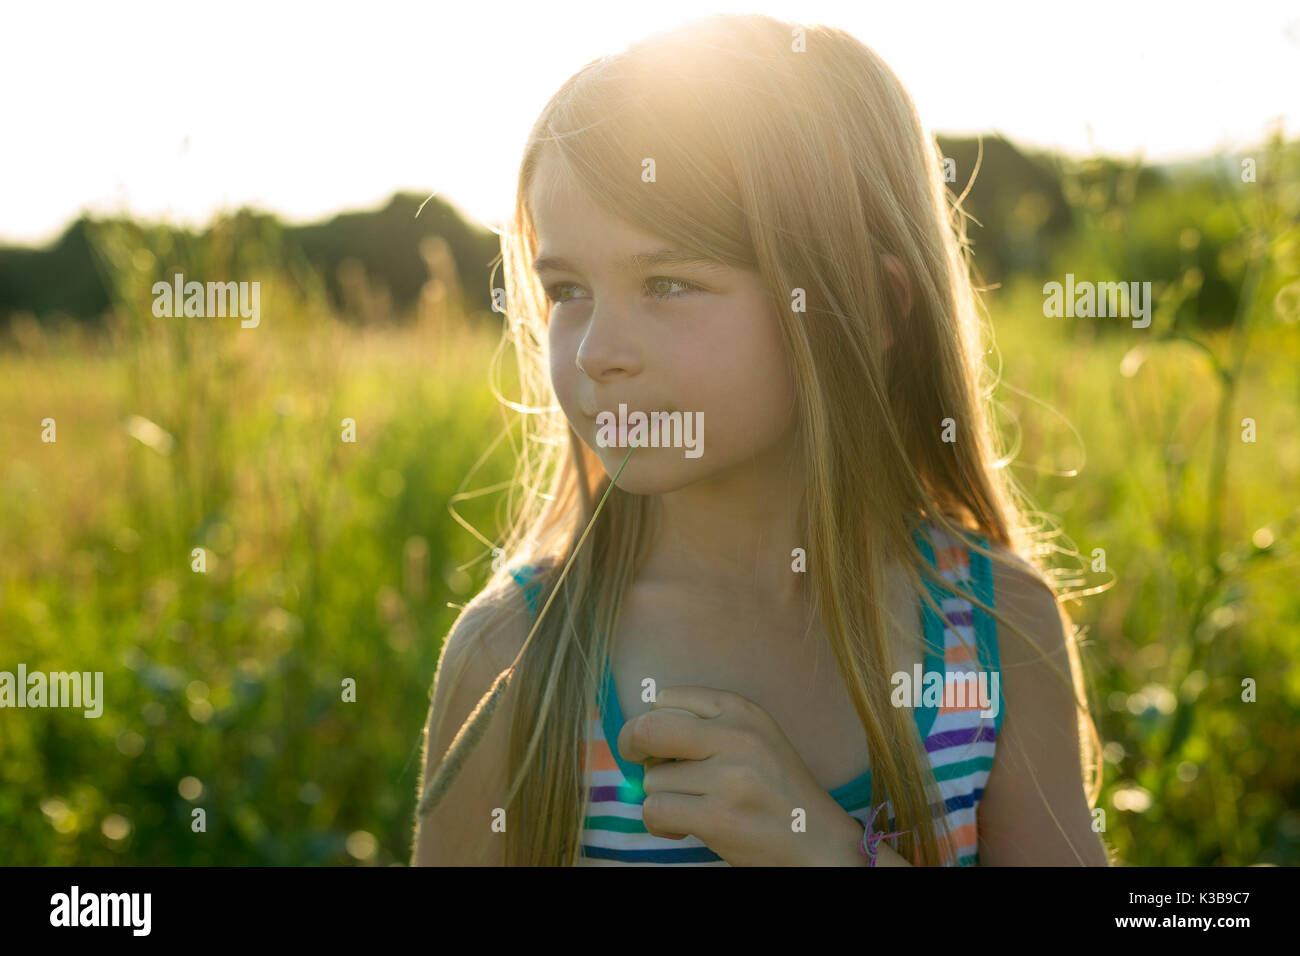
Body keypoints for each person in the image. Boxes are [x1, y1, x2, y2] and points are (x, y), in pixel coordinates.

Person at [413, 12, 1110, 867]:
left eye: (666, 282)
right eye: (567, 288)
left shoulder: (1001, 633)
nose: (597, 352)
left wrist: (828, 851)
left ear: (873, 304)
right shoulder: (514, 659)